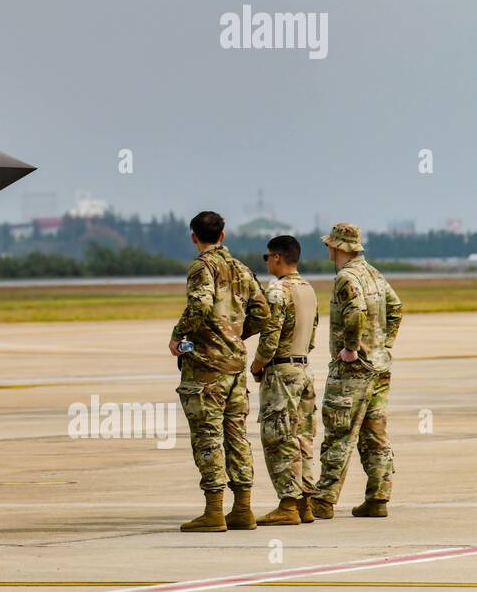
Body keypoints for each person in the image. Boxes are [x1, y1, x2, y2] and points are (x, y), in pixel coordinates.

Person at [170, 211, 269, 532]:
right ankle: (243, 508)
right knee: (236, 434)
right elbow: (262, 311)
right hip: (235, 365)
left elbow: (199, 305)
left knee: (207, 434)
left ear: (193, 237)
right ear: (223, 235)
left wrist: (178, 335)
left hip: (206, 367)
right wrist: (234, 334)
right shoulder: (241, 268)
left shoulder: (203, 267)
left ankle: (214, 510)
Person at [310, 223, 402, 519]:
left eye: (329, 246)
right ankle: (378, 497)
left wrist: (351, 347)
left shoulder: (346, 277)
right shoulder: (374, 274)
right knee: (374, 432)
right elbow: (396, 306)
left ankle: (323, 498)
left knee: (339, 431)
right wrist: (385, 345)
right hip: (378, 366)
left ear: (337, 247)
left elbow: (356, 311)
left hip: (354, 370)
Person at [249, 235, 318, 526]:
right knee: (302, 436)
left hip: (281, 372)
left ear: (277, 257)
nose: (267, 262)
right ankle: (305, 502)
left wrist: (258, 363)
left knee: (278, 436)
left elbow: (270, 335)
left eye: (268, 257)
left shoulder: (278, 291)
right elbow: (312, 336)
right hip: (303, 368)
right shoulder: (308, 289)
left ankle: (288, 503)